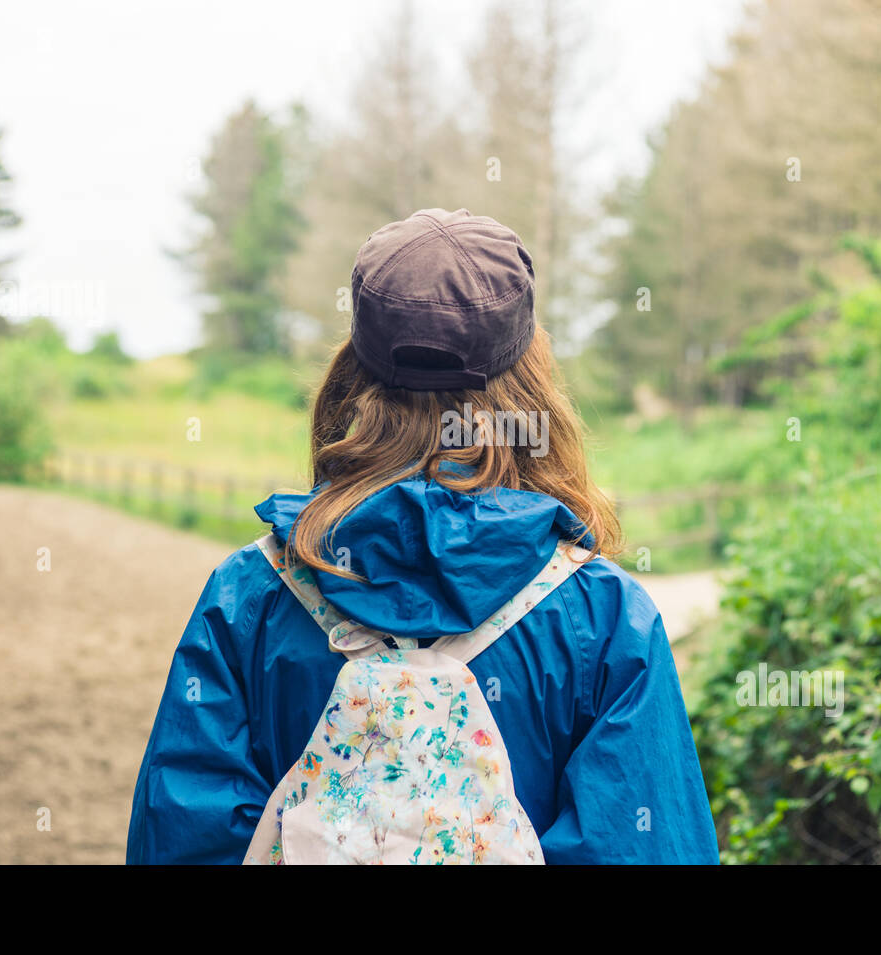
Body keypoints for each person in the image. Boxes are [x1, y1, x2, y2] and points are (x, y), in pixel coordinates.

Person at [126, 208, 718, 864]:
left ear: (352, 374)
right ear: (531, 384)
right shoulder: (603, 615)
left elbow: (179, 838)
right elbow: (650, 844)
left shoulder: (249, 596)